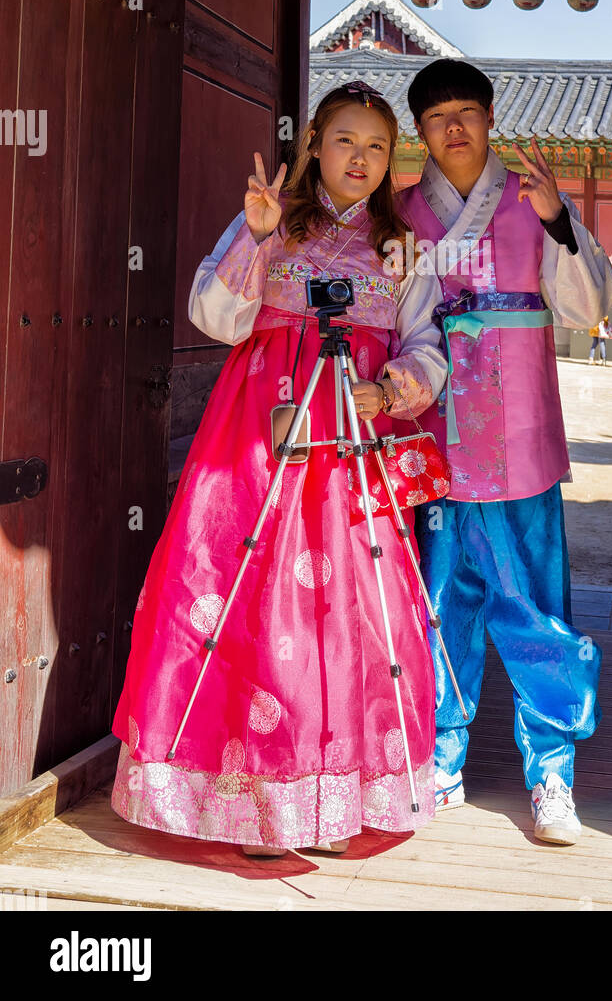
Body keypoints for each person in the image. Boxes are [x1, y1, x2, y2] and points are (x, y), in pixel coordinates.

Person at [110, 81, 447, 859]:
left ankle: (331, 801)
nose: (358, 159)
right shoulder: (269, 221)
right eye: (342, 141)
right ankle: (256, 805)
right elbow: (215, 317)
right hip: (256, 440)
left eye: (375, 146)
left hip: (345, 446)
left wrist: (388, 389)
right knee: (244, 597)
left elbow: (426, 344)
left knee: (343, 613)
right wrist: (257, 236)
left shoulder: (402, 249)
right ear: (314, 148)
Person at [397, 58, 612, 846]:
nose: (453, 128)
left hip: (519, 431)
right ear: (418, 132)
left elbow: (588, 306)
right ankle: (437, 753)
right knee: (439, 601)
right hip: (434, 430)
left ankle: (550, 770)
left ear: (490, 117)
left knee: (534, 602)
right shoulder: (401, 214)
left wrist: (560, 223)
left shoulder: (533, 202)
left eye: (466, 111)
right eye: (435, 118)